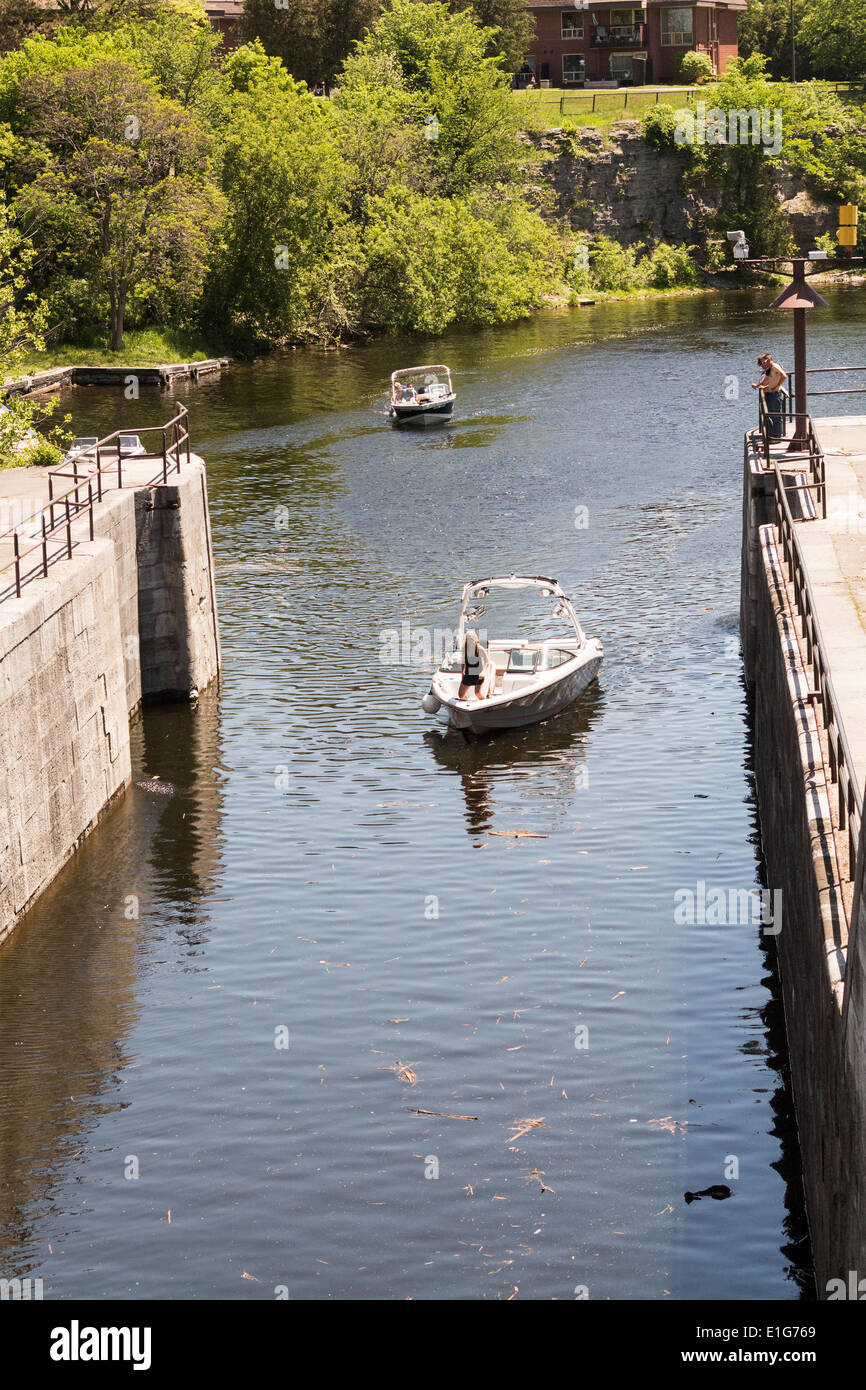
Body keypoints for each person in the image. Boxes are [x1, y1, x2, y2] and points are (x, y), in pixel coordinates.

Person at [752, 352, 788, 440]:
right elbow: (769, 380)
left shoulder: (775, 367)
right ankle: (773, 435)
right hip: (770, 392)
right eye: (762, 363)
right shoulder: (770, 369)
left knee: (776, 416)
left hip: (775, 394)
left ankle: (777, 436)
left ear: (769, 360)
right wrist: (762, 386)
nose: (763, 365)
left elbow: (784, 376)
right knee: (770, 415)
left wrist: (778, 386)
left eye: (764, 363)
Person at [458, 629, 495, 702]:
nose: (470, 641)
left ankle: (485, 704)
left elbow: (487, 661)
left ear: (475, 638)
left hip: (478, 674)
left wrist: (483, 672)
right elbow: (463, 662)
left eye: (472, 638)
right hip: (468, 673)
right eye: (468, 639)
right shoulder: (464, 648)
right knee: (460, 695)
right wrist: (462, 673)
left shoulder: (479, 648)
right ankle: (467, 702)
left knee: (478, 693)